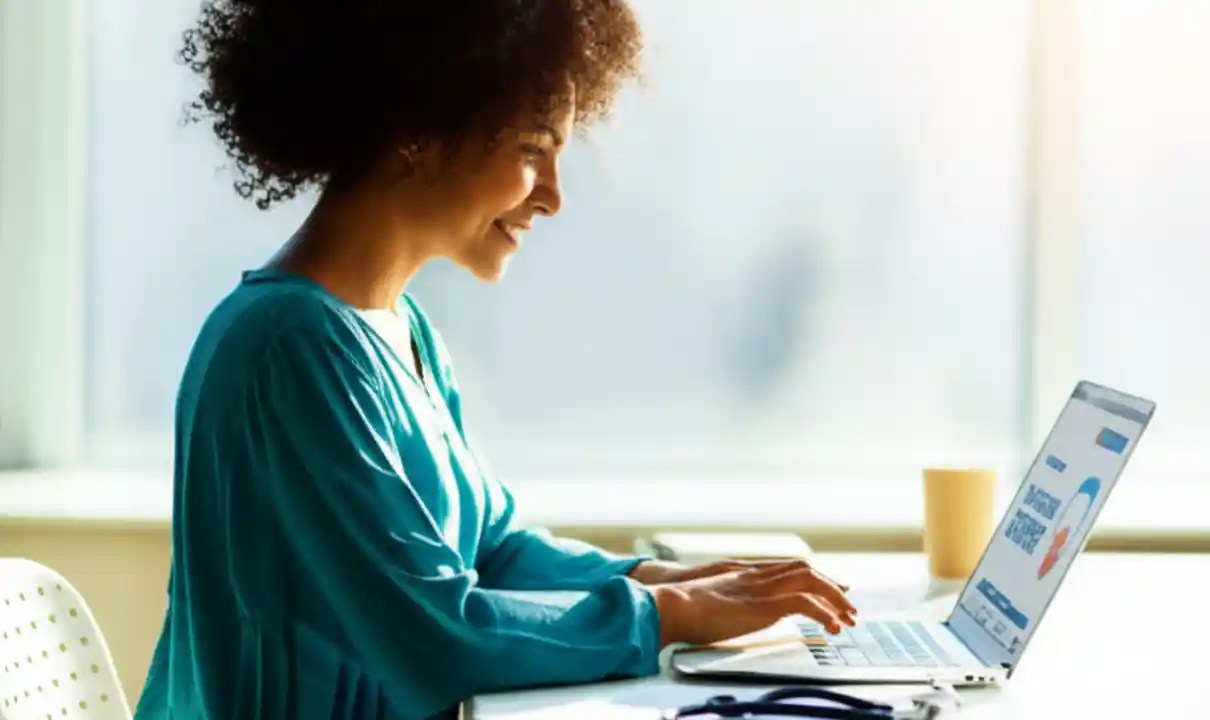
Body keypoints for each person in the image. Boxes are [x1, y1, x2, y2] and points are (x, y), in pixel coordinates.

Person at [135, 1, 858, 718]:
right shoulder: (289, 348)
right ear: (418, 127)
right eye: (531, 149)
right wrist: (666, 613)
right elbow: (435, 635)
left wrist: (670, 578)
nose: (553, 196)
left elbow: (495, 550)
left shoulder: (400, 329)